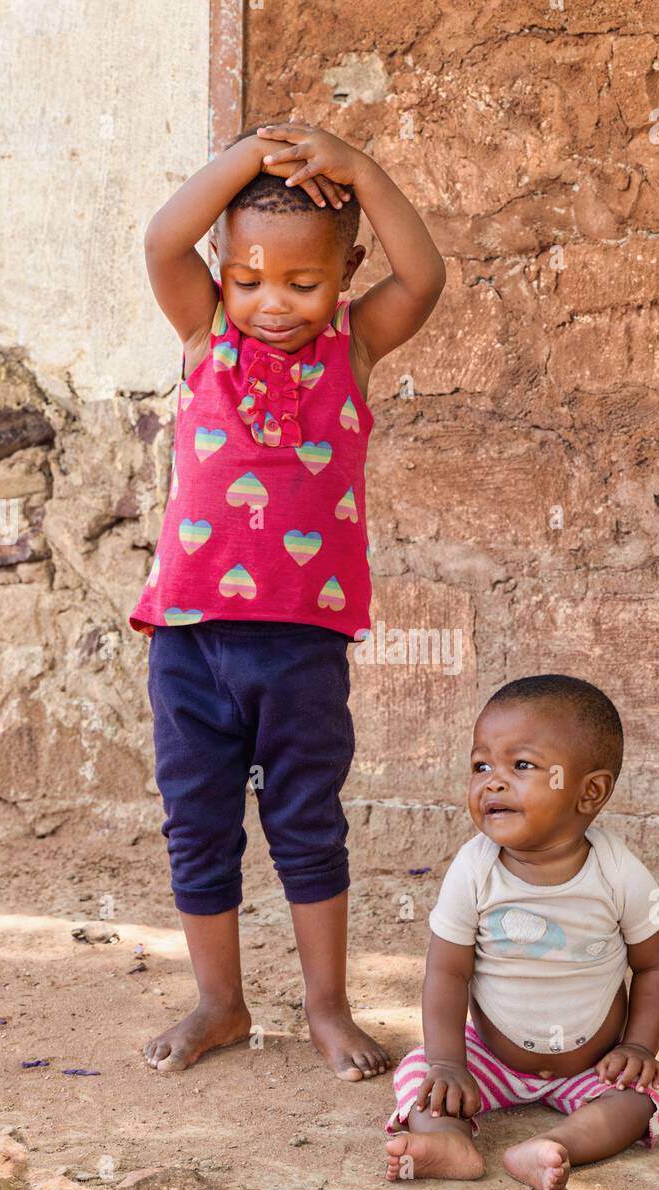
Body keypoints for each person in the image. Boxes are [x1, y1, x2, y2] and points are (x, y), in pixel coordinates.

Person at [130, 120, 446, 1079]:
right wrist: (250, 161)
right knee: (198, 819)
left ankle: (325, 1006)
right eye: (250, 278)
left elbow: (423, 278)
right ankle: (219, 1004)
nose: (273, 303)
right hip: (187, 639)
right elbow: (161, 241)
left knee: (306, 819)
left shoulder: (350, 350)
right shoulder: (202, 337)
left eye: (303, 284)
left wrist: (359, 170)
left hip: (300, 646)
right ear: (222, 268)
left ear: (345, 271)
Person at [385, 675, 659, 1190]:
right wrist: (450, 1063)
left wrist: (637, 1046)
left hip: (592, 1063)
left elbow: (654, 965)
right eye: (481, 765)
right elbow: (447, 972)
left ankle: (555, 1145)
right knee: (419, 1073)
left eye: (521, 766)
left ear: (590, 791)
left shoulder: (618, 872)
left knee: (641, 1098)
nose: (492, 782)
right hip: (489, 1059)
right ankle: (449, 1142)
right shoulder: (474, 870)